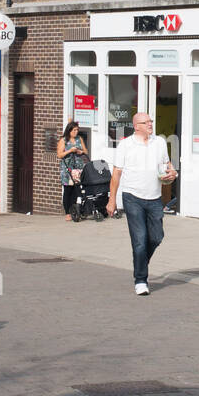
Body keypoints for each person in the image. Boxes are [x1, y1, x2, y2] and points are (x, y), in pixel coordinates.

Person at [105, 113, 175, 295]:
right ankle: (141, 280)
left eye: (151, 121)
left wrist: (172, 173)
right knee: (140, 239)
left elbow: (168, 166)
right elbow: (116, 174)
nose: (150, 124)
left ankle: (141, 261)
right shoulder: (125, 145)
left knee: (156, 237)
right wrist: (112, 200)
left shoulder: (159, 142)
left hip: (154, 198)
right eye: (146, 122)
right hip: (132, 197)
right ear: (137, 126)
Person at [56, 120, 88, 220]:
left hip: (78, 167)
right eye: (74, 130)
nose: (76, 132)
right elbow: (59, 154)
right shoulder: (63, 140)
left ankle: (75, 210)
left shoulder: (79, 139)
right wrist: (69, 150)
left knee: (77, 188)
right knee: (68, 189)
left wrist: (80, 151)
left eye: (77, 130)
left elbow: (85, 151)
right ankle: (67, 212)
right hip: (67, 168)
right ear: (69, 130)